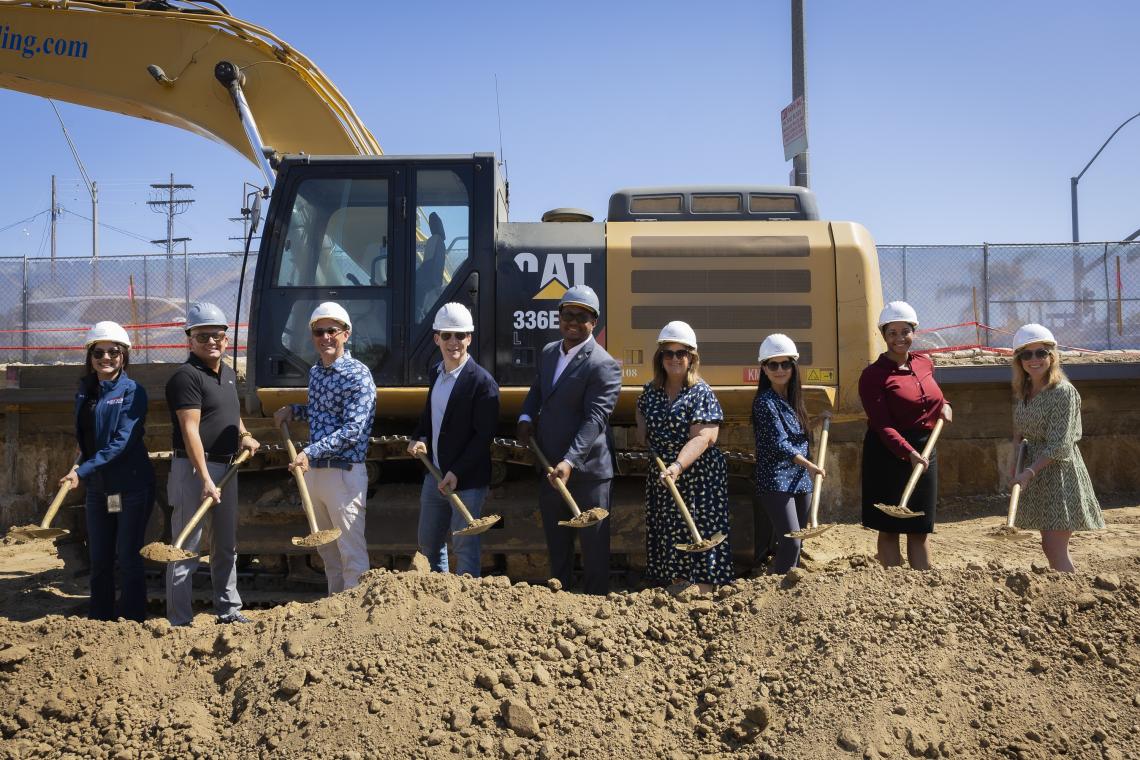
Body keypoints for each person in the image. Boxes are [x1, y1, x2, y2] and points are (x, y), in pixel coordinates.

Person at [517, 285, 621, 595]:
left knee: (594, 552)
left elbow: (594, 419)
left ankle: (596, 617)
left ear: (595, 322)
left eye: (582, 316)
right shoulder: (550, 352)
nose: (572, 321)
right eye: (567, 314)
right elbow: (538, 390)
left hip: (588, 474)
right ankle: (558, 608)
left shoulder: (603, 364)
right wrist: (525, 417)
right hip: (550, 466)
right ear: (559, 317)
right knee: (557, 547)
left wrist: (569, 461)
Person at [165, 302, 260, 625]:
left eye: (217, 335)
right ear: (189, 339)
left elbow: (229, 413)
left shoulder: (229, 373)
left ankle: (229, 610)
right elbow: (190, 429)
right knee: (186, 546)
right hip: (194, 469)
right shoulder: (186, 377)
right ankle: (179, 620)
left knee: (225, 543)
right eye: (203, 336)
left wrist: (244, 434)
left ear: (226, 337)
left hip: (227, 466)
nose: (212, 342)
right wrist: (205, 478)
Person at [274, 302, 376, 595]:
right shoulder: (317, 371)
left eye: (332, 330)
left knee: (351, 555)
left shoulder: (359, 375)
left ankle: (355, 626)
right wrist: (294, 410)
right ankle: (335, 619)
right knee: (328, 555)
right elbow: (324, 412)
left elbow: (353, 430)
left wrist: (310, 452)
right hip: (316, 474)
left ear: (346, 334)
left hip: (343, 475)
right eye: (319, 331)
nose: (325, 336)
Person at [60, 321, 155, 622]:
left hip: (130, 488)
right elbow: (88, 439)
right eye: (98, 352)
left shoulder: (133, 392)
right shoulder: (85, 392)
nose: (106, 358)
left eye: (113, 351)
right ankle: (98, 621)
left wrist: (82, 470)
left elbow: (121, 444)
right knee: (99, 558)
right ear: (90, 357)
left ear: (124, 355)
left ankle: (132, 620)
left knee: (127, 557)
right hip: (101, 490)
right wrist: (80, 462)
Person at [636, 321, 732, 591]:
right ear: (661, 358)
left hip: (698, 475)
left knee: (700, 527)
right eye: (669, 353)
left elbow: (704, 437)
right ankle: (676, 586)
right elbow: (640, 410)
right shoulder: (651, 391)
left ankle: (705, 589)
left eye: (682, 353)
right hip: (665, 472)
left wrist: (677, 466)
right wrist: (642, 428)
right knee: (668, 527)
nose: (675, 359)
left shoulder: (701, 392)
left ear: (692, 358)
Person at [406, 303, 500, 576]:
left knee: (465, 546)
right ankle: (440, 600)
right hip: (434, 475)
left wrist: (456, 472)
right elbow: (429, 415)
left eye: (460, 335)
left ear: (469, 338)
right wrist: (418, 437)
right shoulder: (436, 373)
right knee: (428, 543)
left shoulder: (483, 383)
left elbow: (483, 436)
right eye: (446, 335)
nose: (453, 342)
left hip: (466, 481)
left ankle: (466, 610)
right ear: (436, 338)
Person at [858, 301, 952, 570]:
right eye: (892, 332)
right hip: (887, 452)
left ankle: (922, 587)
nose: (899, 338)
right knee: (889, 527)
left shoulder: (925, 363)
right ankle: (893, 589)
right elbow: (882, 424)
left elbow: (935, 398)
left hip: (924, 448)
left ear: (914, 331)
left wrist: (946, 406)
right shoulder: (872, 376)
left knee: (919, 526)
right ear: (884, 335)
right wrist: (907, 453)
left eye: (905, 331)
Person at [1009, 323, 1103, 572]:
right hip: (1037, 475)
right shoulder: (1025, 390)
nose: (1034, 359)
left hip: (1060, 475)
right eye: (1026, 354)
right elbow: (1019, 432)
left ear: (1052, 356)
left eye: (1041, 353)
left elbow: (1060, 445)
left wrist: (1028, 473)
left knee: (1053, 545)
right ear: (1019, 360)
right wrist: (1014, 465)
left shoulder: (1063, 392)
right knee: (1048, 545)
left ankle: (1075, 599)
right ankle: (1064, 595)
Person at [751, 333, 825, 574]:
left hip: (799, 478)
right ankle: (777, 597)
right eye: (773, 364)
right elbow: (780, 442)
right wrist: (809, 465)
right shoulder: (764, 402)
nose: (780, 369)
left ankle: (790, 596)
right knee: (791, 541)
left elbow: (795, 432)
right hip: (776, 479)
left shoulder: (791, 399)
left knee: (799, 540)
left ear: (793, 367)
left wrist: (817, 421)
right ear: (764, 368)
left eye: (785, 364)